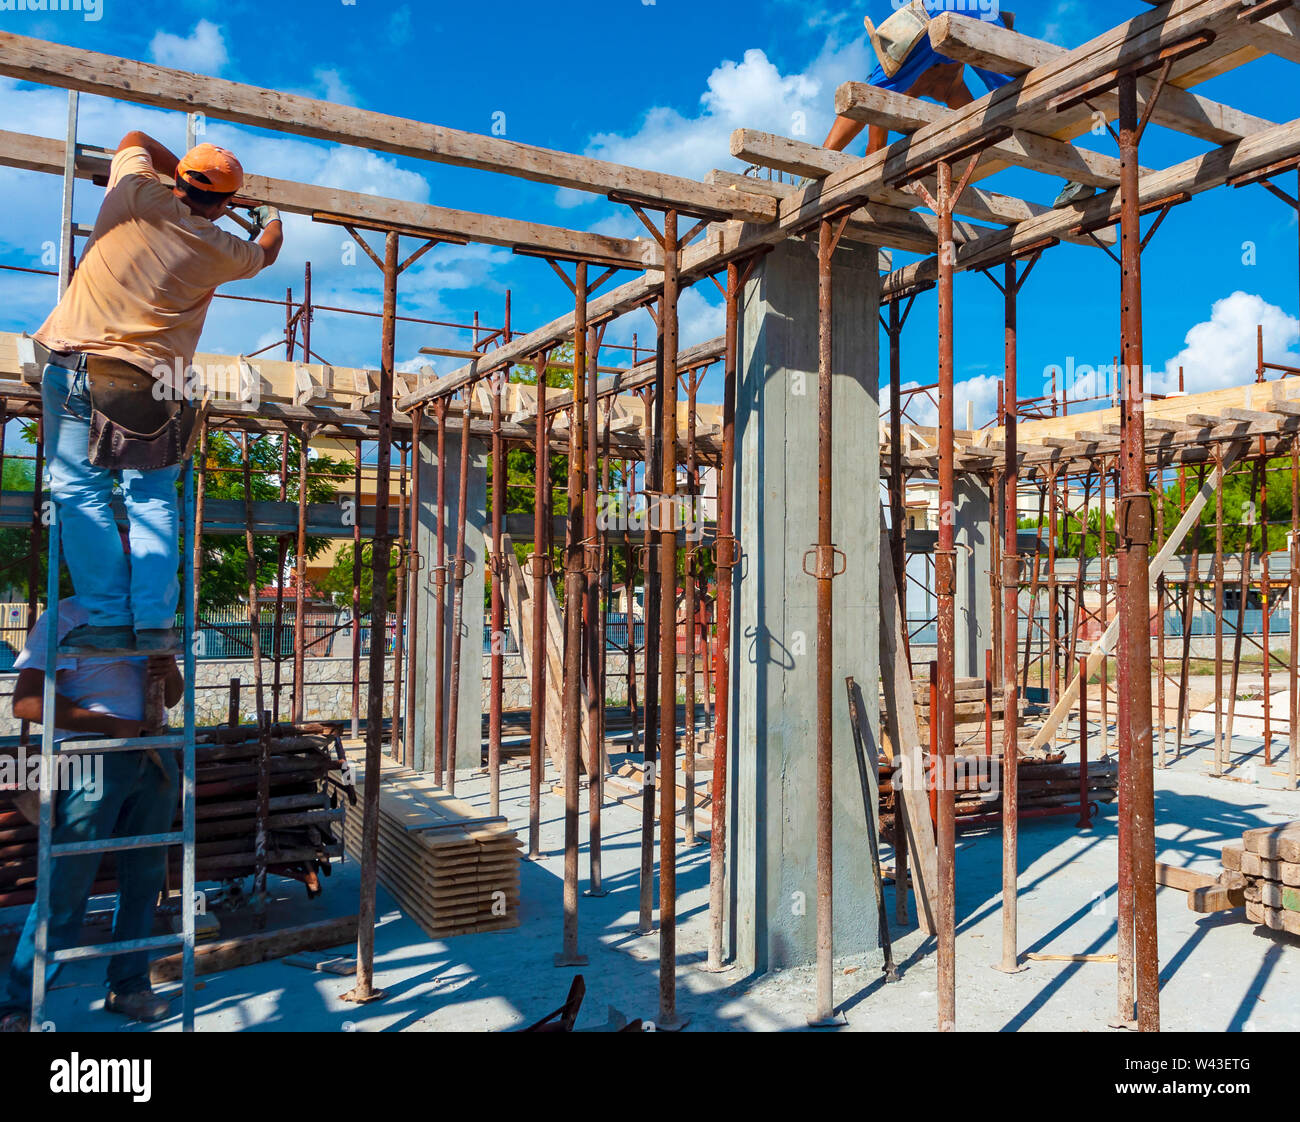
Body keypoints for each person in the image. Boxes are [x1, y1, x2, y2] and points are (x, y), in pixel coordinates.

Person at [32, 131, 284, 654]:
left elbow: (133, 137)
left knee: (80, 492)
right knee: (149, 499)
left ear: (180, 180)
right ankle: (152, 625)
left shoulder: (135, 193)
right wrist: (271, 214)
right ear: (225, 203)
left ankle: (105, 619)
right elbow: (269, 252)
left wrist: (176, 170)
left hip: (82, 361)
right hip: (161, 379)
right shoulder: (221, 248)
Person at [0, 596, 184, 1031]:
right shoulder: (64, 617)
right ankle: (19, 1004)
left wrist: (168, 671)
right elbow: (26, 702)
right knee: (65, 885)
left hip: (153, 752)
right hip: (90, 758)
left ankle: (130, 985)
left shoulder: (150, 615)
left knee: (143, 879)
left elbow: (172, 697)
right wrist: (109, 725)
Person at [820, 3, 1092, 209]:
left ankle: (817, 168)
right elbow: (979, 125)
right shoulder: (952, 86)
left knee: (871, 94)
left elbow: (874, 143)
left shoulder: (909, 73)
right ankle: (1078, 172)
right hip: (982, 12)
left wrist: (872, 187)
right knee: (1021, 94)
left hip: (933, 16)